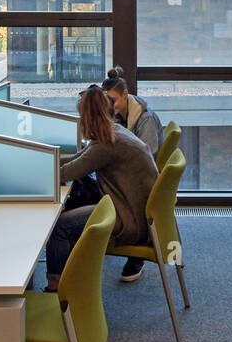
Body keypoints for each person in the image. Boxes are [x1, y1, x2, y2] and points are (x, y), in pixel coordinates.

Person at [44, 84, 157, 290]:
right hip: (131, 207)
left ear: (86, 118)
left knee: (59, 226)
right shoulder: (114, 132)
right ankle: (71, 273)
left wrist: (35, 169)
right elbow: (80, 158)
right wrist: (49, 160)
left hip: (128, 219)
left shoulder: (106, 145)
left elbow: (69, 172)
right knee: (76, 198)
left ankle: (55, 289)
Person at [103, 66, 163, 160]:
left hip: (142, 170)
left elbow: (148, 156)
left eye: (113, 100)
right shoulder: (117, 114)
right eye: (106, 101)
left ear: (125, 94)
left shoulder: (146, 119)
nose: (109, 106)